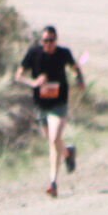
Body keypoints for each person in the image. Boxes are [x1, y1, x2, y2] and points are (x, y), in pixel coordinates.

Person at [15, 25, 86, 197]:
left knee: (54, 139)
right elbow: (18, 76)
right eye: (45, 40)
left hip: (59, 103)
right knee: (52, 140)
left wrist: (80, 80)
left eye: (51, 40)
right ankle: (68, 153)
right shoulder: (33, 53)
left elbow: (76, 67)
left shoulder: (63, 53)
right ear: (41, 41)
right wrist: (33, 83)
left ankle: (53, 183)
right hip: (41, 106)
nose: (48, 44)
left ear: (56, 40)